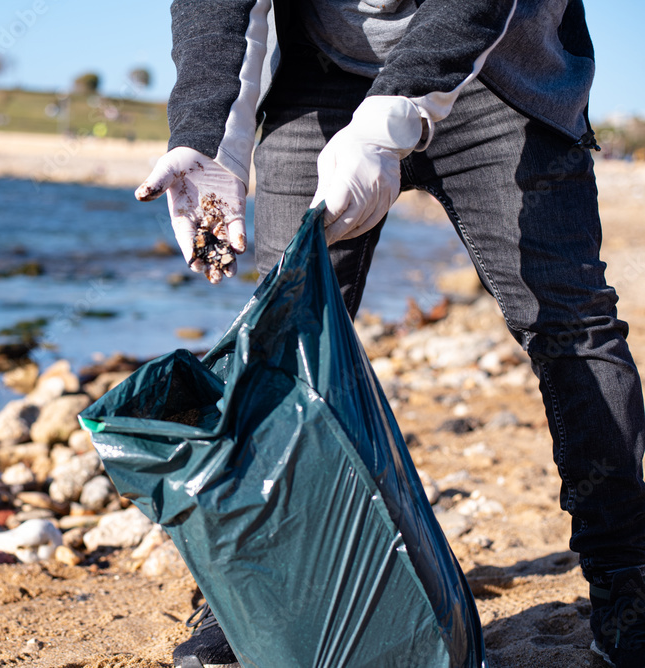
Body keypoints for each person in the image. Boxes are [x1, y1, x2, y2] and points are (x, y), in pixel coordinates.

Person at [134, 1, 645, 667]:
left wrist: (383, 129)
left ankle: (627, 585)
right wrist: (207, 138)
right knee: (284, 337)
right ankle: (255, 596)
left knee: (571, 326)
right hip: (325, 77)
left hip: (503, 71)